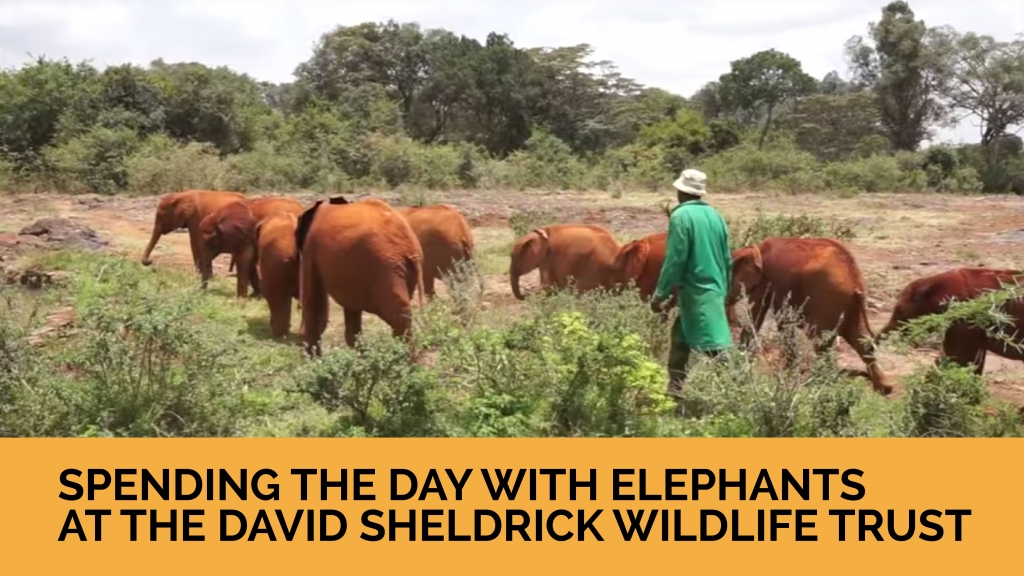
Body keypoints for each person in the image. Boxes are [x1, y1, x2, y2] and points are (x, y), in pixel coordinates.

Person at [651, 168, 733, 395]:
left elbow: (675, 258)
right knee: (680, 338)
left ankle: (736, 392)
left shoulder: (681, 216)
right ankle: (674, 390)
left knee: (715, 347)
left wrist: (661, 293)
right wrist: (724, 290)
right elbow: (727, 258)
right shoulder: (716, 217)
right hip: (714, 289)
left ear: (681, 192)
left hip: (697, 290)